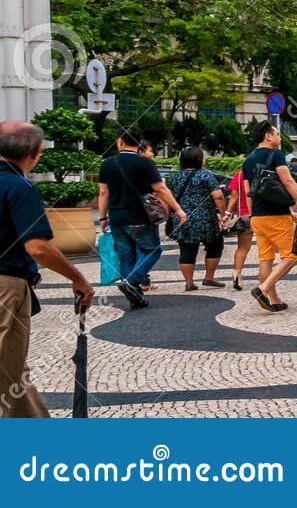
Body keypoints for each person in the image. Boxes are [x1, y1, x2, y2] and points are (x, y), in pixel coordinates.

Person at [0, 121, 94, 418]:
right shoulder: (19, 187)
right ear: (37, 152)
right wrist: (78, 278)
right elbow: (37, 247)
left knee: (11, 369)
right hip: (5, 285)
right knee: (5, 371)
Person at [97, 128, 185, 309]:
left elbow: (103, 192)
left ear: (120, 142)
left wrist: (103, 217)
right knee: (152, 250)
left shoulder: (107, 164)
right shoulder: (145, 163)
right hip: (141, 217)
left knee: (125, 257)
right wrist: (178, 209)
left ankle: (135, 297)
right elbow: (160, 188)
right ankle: (132, 282)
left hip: (117, 218)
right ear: (139, 143)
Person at [241, 119, 297, 313]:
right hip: (276, 215)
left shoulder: (248, 160)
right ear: (268, 136)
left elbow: (247, 189)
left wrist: (251, 214)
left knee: (265, 259)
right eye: (277, 134)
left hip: (258, 216)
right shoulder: (276, 155)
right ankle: (263, 289)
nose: (279, 138)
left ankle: (274, 300)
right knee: (292, 255)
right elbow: (288, 181)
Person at [166, 146, 227, 291]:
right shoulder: (206, 175)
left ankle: (189, 283)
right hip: (206, 218)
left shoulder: (175, 177)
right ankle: (209, 277)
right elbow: (218, 196)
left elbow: (168, 197)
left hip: (182, 218)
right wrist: (223, 214)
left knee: (187, 251)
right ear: (199, 160)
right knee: (215, 246)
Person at [224, 163, 253, 291]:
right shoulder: (263, 172)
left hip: (244, 215)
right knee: (267, 246)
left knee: (242, 247)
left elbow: (234, 197)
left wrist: (227, 214)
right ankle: (267, 275)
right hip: (263, 214)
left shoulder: (239, 174)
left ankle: (237, 273)